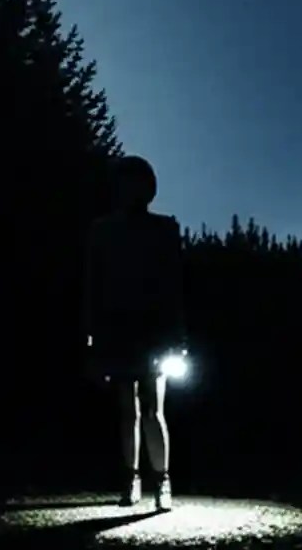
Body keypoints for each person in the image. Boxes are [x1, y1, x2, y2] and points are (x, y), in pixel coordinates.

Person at [82, 155, 187, 511]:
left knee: (153, 406)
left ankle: (161, 480)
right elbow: (93, 285)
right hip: (118, 326)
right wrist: (92, 332)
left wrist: (178, 334)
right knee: (128, 407)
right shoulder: (102, 230)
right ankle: (132, 479)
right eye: (126, 183)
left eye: (137, 183)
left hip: (152, 328)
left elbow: (174, 285)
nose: (132, 190)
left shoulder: (163, 229)